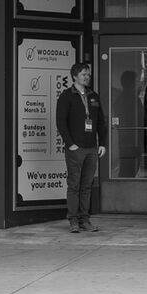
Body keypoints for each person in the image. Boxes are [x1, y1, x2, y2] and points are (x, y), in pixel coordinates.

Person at [56, 61, 107, 233]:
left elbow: (101, 121)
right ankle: (73, 220)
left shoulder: (94, 96)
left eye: (88, 74)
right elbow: (61, 122)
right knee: (74, 185)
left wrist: (103, 144)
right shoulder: (66, 96)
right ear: (75, 76)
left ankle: (85, 219)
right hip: (75, 149)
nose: (87, 77)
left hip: (92, 148)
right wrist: (70, 144)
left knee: (87, 185)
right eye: (84, 74)